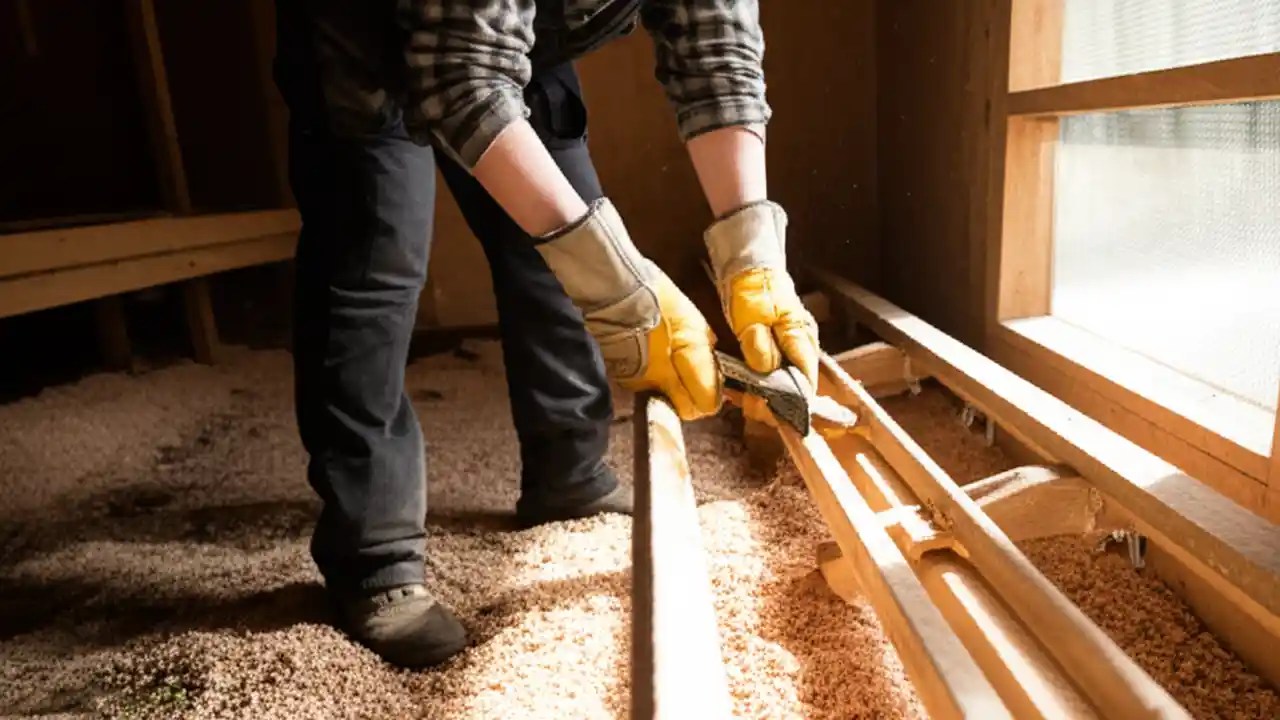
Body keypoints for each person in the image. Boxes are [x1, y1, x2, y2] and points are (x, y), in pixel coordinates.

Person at [272, 0, 820, 669]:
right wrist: (616, 285)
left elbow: (719, 54)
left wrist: (751, 257)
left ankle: (569, 471)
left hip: (518, 37)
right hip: (361, 30)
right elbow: (460, 76)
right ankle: (375, 558)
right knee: (373, 257)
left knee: (565, 234)